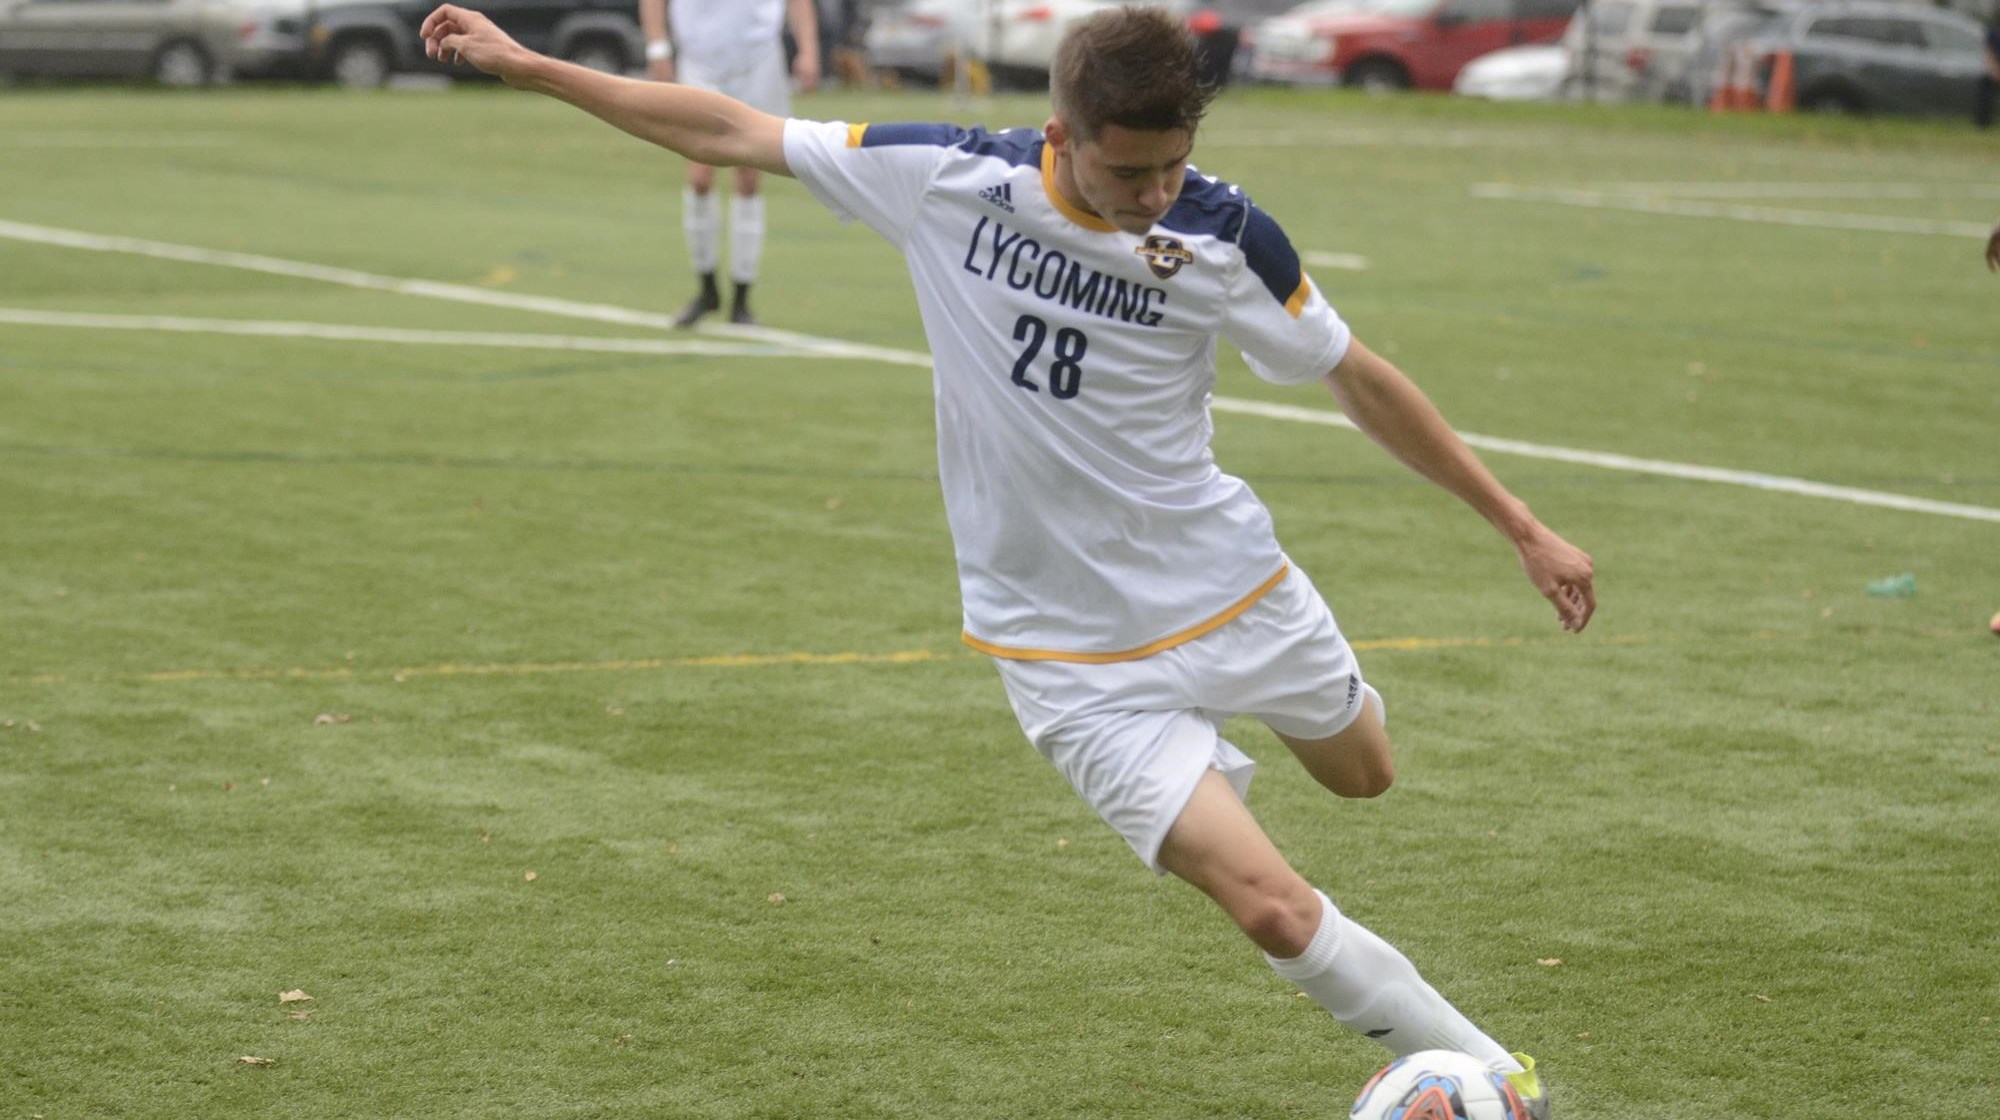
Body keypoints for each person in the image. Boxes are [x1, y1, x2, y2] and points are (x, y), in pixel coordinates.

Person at [418, 6, 1596, 1115]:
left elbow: (1356, 375)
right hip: (1063, 649)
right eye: (1125, 171)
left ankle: (1312, 732)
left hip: (1228, 586)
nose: (1151, 195)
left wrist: (1520, 525)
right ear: (1059, 136)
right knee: (1272, 910)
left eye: (1169, 168)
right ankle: (1498, 1077)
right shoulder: (944, 178)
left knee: (1363, 774)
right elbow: (729, 126)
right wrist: (531, 67)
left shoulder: (1222, 234)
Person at [637, 0, 819, 326]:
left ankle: (741, 299)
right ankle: (707, 289)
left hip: (758, 55)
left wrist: (808, 48)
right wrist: (657, 48)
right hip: (700, 57)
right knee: (699, 176)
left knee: (749, 176)